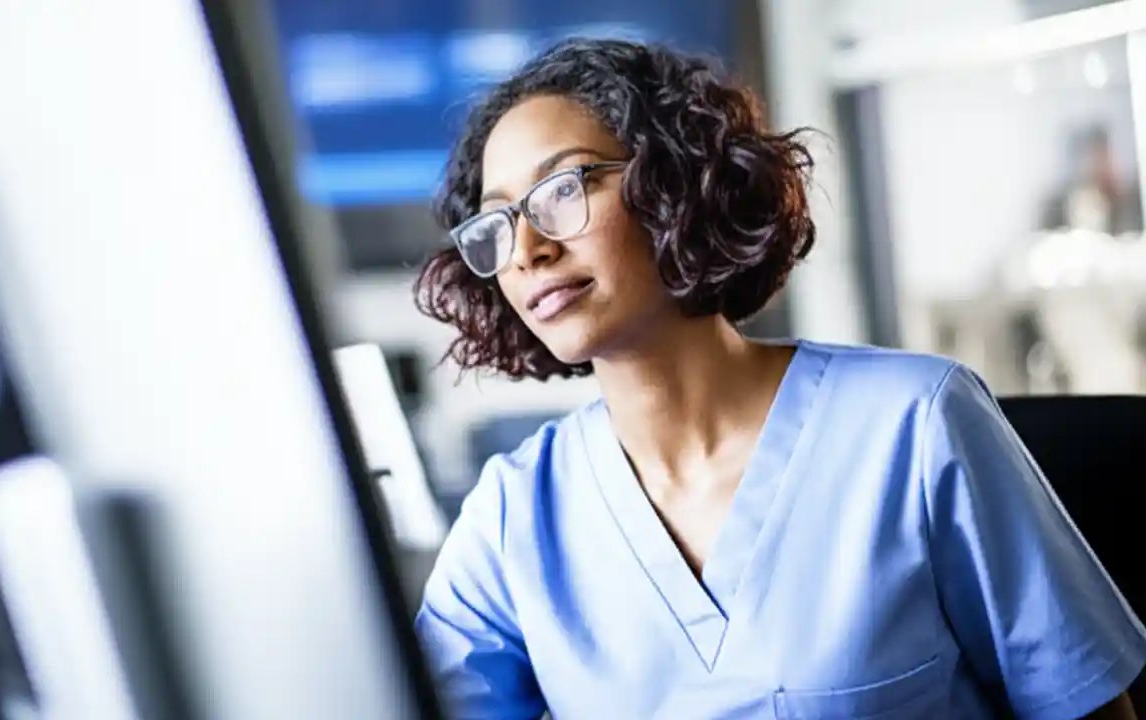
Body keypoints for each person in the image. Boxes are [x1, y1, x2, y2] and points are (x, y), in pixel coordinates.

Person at [410, 38, 1146, 719]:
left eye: (562, 189)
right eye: (496, 222)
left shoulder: (913, 426)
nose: (527, 249)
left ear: (673, 182)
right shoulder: (514, 515)